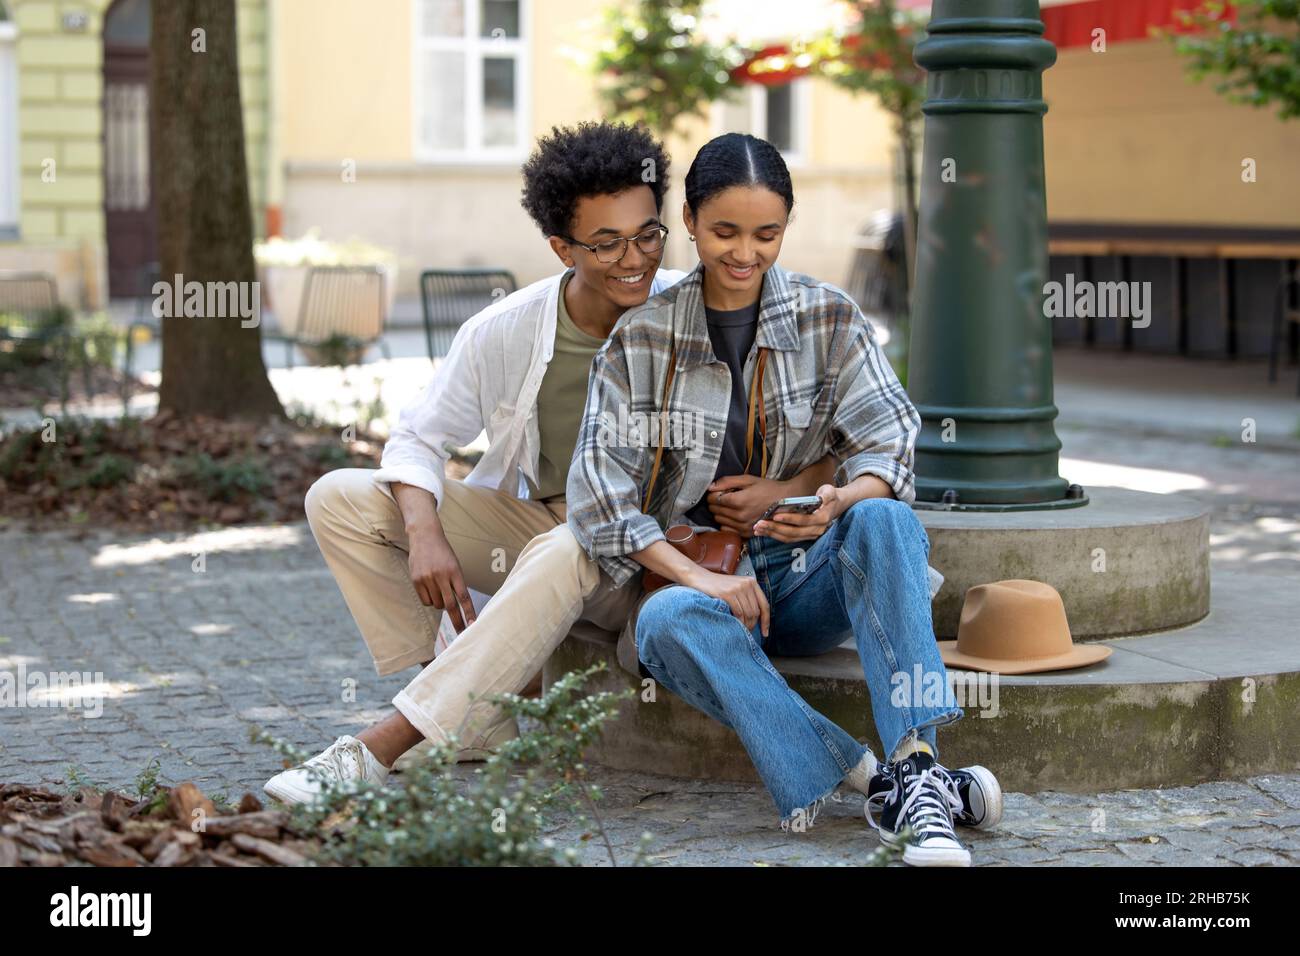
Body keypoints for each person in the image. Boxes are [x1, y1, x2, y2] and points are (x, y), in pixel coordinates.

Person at [263, 122, 838, 805]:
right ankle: (475, 707)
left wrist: (783, 486)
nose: (636, 259)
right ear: (561, 247)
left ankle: (377, 747)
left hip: (655, 552)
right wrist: (425, 535)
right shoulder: (507, 329)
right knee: (342, 496)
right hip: (534, 529)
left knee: (576, 540)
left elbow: (834, 438)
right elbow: (417, 437)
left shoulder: (706, 309)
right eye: (607, 243)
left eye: (648, 234)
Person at [564, 132, 1003, 867]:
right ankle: (870, 776)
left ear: (786, 227)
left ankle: (920, 768)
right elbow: (598, 497)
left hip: (807, 583)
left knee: (885, 514)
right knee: (664, 622)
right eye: (725, 231)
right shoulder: (641, 339)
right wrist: (705, 577)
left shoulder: (828, 319)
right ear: (691, 221)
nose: (745, 253)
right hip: (707, 591)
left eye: (766, 234)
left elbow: (890, 440)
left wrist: (832, 500)